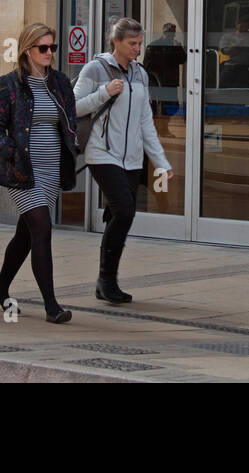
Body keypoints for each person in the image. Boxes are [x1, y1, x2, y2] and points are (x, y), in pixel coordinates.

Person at [0, 22, 80, 323]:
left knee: (25, 234)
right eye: (43, 48)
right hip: (23, 171)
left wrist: (73, 141)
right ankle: (51, 306)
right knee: (41, 228)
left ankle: (1, 289)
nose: (49, 52)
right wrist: (10, 150)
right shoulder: (8, 84)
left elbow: (70, 120)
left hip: (52, 169)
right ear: (27, 50)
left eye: (53, 47)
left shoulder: (60, 83)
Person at [74, 17, 174, 305]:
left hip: (132, 159)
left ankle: (106, 280)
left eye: (139, 44)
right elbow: (72, 106)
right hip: (101, 152)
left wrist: (161, 162)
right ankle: (106, 280)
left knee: (121, 214)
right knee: (125, 210)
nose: (137, 49)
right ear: (115, 42)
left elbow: (146, 123)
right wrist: (104, 93)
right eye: (132, 44)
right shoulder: (95, 68)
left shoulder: (141, 74)